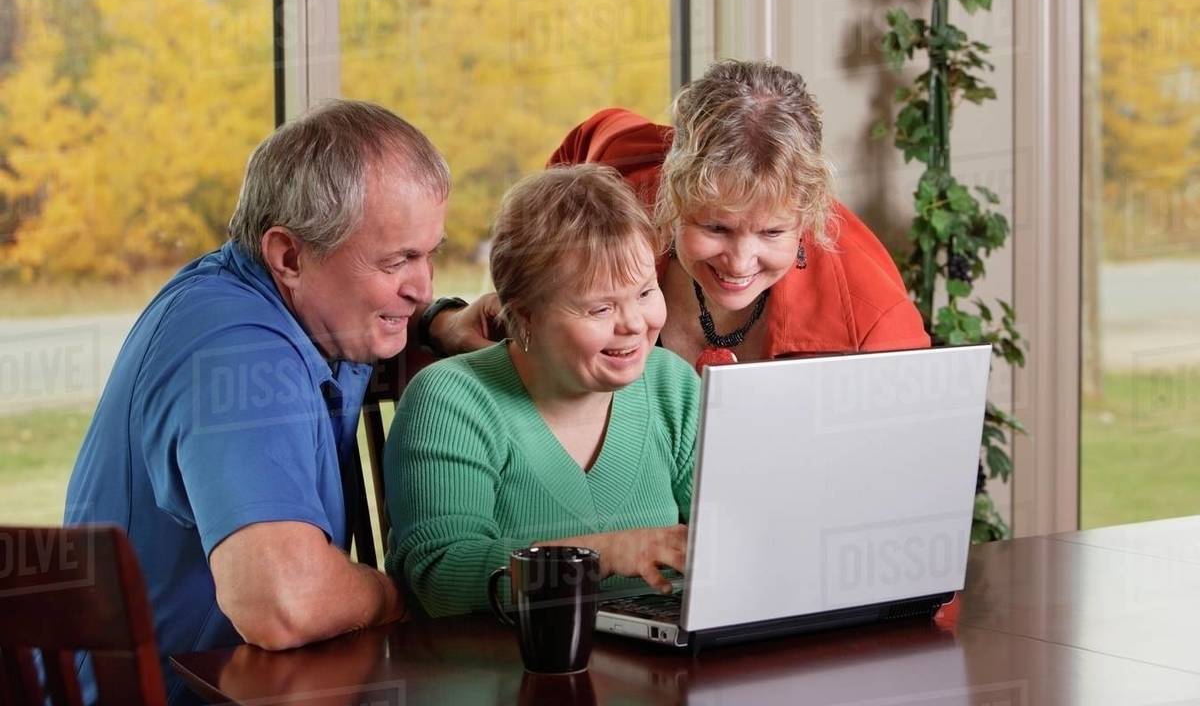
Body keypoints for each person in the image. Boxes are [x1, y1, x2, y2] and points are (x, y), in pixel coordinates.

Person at [64, 100, 447, 702]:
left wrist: (439, 324)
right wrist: (400, 595)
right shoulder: (235, 346)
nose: (420, 285)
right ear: (289, 255)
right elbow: (283, 604)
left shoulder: (295, 310)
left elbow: (389, 326)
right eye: (397, 260)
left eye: (429, 254)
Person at [430, 59, 928, 368]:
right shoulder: (622, 178)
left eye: (773, 231)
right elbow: (568, 172)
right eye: (716, 226)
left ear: (809, 214)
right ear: (671, 192)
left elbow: (904, 465)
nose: (739, 261)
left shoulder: (874, 319)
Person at [385, 165, 699, 617]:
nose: (634, 323)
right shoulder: (451, 400)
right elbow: (440, 579)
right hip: (501, 673)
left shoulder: (673, 384)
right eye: (600, 306)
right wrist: (602, 556)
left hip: (664, 670)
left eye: (645, 292)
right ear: (525, 316)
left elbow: (735, 535)